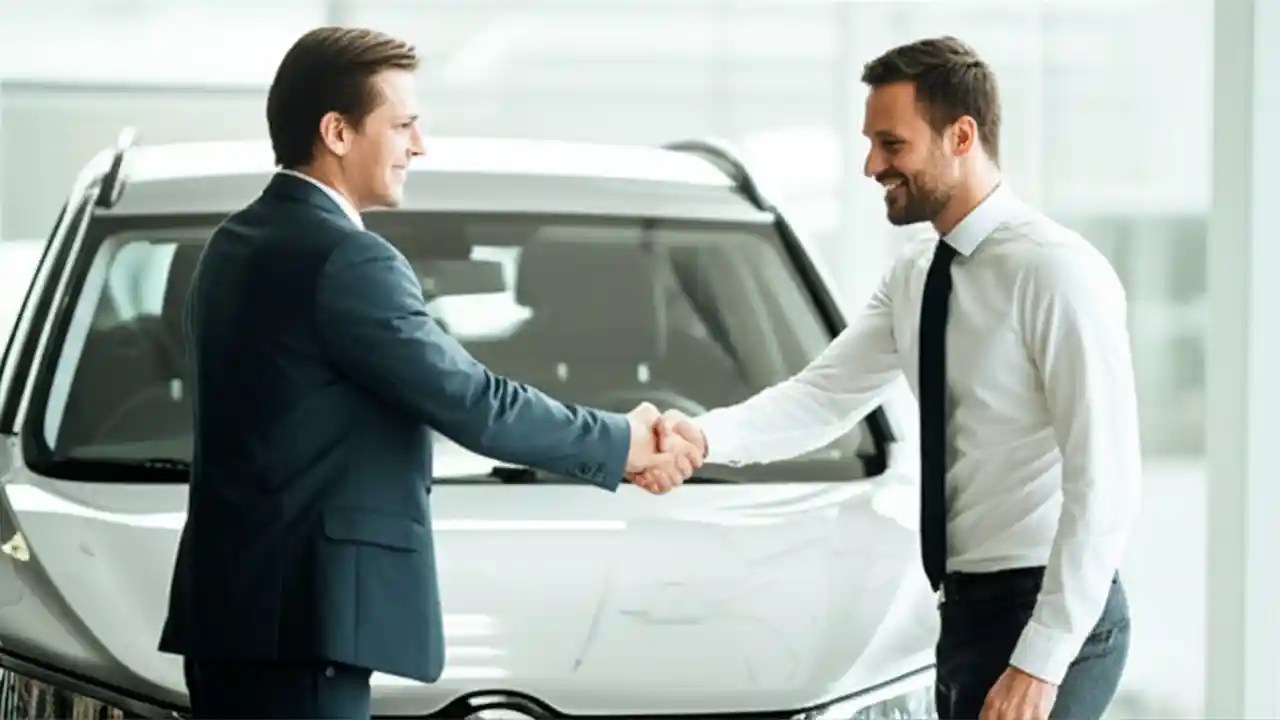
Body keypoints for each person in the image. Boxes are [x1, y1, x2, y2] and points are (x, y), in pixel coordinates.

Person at [157, 26, 702, 720]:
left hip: (238, 618)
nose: (420, 145)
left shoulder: (232, 245)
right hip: (305, 624)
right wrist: (624, 443)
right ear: (337, 132)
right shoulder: (346, 260)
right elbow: (474, 402)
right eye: (404, 124)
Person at [641, 36, 1140, 720]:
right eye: (871, 142)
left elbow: (1105, 480)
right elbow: (820, 398)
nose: (871, 164)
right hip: (963, 611)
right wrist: (697, 436)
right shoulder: (916, 275)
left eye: (891, 143)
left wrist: (1041, 658)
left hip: (1049, 613)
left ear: (961, 135)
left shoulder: (1055, 272)